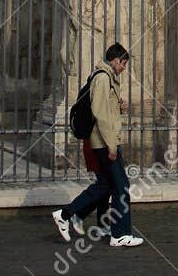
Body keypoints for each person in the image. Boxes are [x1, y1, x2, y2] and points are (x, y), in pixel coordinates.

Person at [52, 43, 143, 249]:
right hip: (104, 142)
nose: (124, 68)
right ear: (116, 60)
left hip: (104, 140)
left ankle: (66, 214)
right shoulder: (103, 78)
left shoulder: (105, 78)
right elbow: (100, 114)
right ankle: (120, 234)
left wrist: (119, 106)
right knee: (122, 187)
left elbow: (106, 110)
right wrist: (112, 145)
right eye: (123, 64)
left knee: (105, 185)